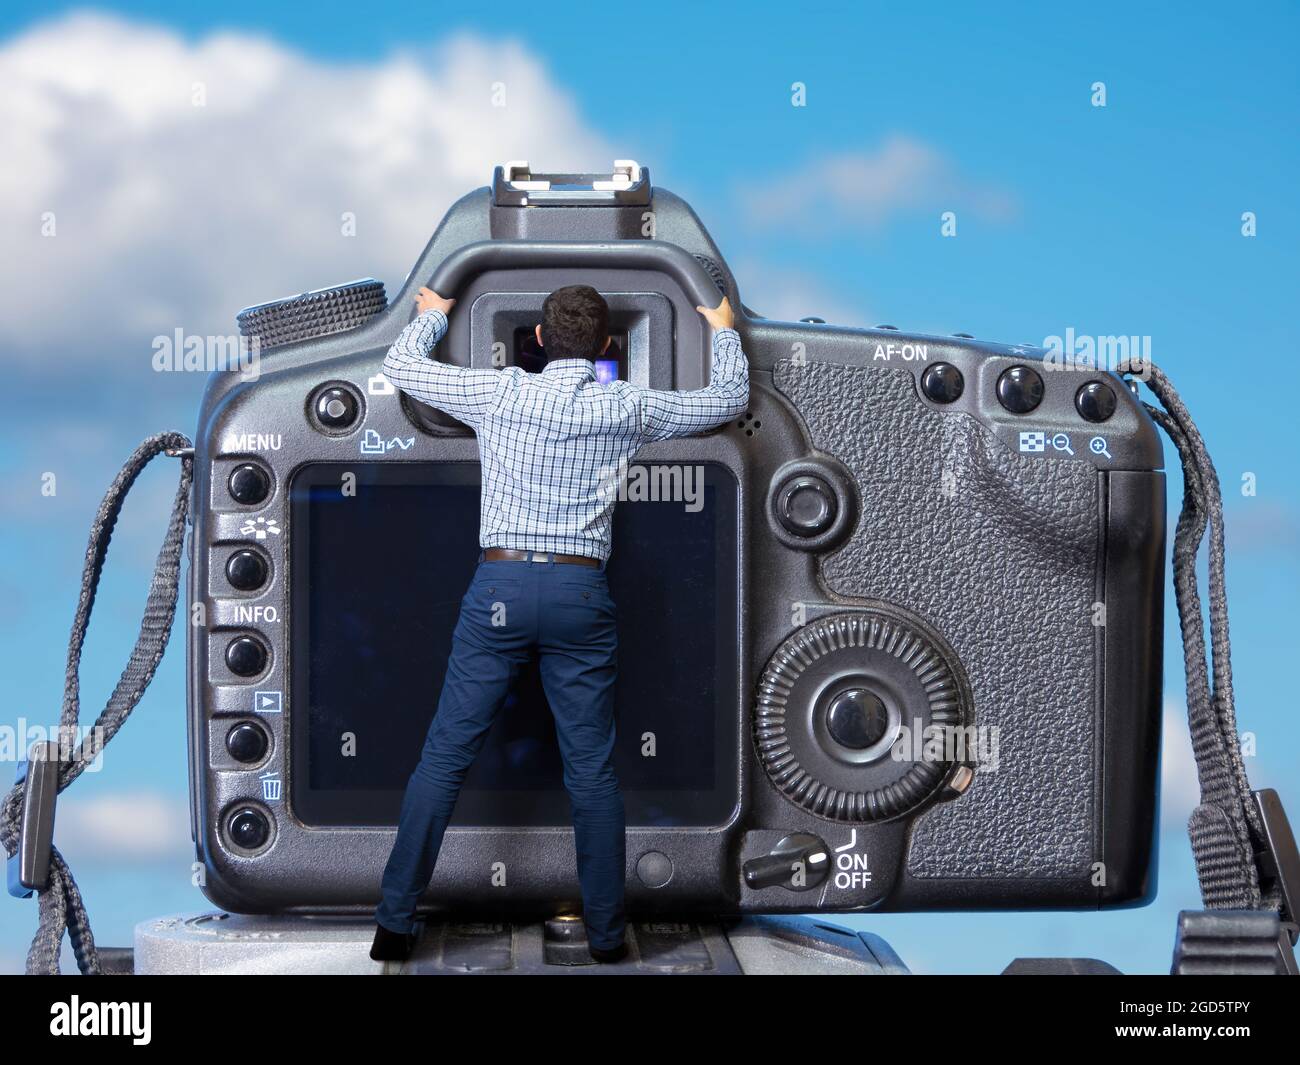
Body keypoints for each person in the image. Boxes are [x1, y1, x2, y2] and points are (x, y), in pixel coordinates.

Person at [370, 282, 748, 963]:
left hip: (501, 586)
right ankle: (607, 938)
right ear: (608, 348)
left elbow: (400, 368)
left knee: (444, 756)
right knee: (593, 774)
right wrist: (722, 326)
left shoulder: (502, 392)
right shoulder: (625, 403)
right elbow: (728, 401)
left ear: (538, 341)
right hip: (580, 590)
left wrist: (430, 317)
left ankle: (394, 924)